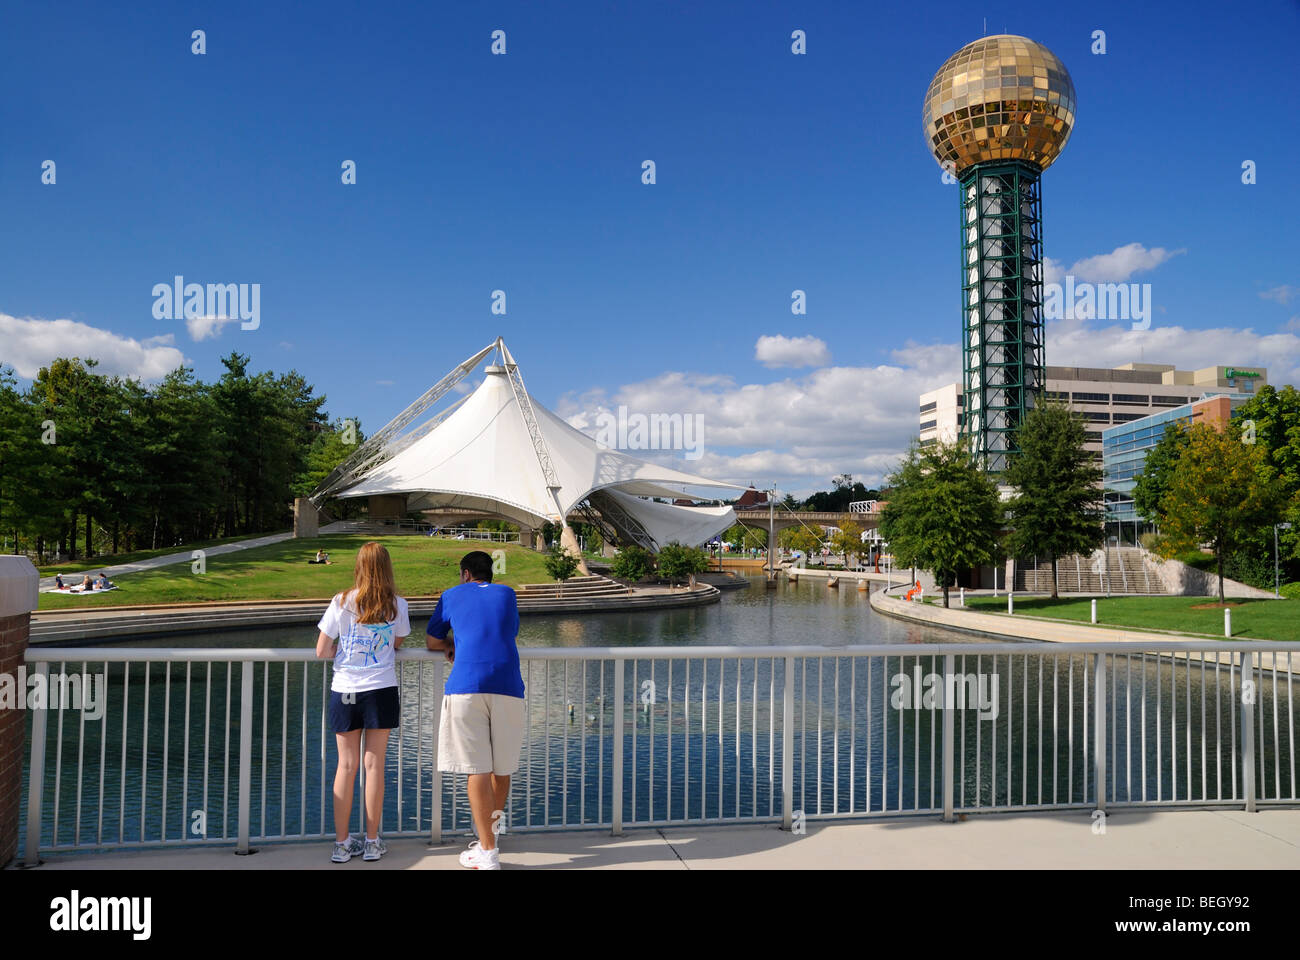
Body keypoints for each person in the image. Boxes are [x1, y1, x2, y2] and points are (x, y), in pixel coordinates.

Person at [426, 550, 525, 870]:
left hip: (466, 687)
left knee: (477, 770)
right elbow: (507, 631)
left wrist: (450, 644)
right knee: (502, 769)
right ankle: (489, 841)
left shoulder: (451, 595)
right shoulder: (507, 594)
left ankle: (488, 851)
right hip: (509, 687)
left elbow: (431, 640)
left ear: (465, 573)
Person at [316, 542, 409, 863]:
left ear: (358, 566)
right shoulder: (397, 605)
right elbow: (397, 642)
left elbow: (322, 650)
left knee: (345, 766)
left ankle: (342, 844)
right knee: (374, 766)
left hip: (344, 689)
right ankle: (372, 841)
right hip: (380, 689)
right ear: (387, 567)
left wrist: (344, 654)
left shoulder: (341, 601)